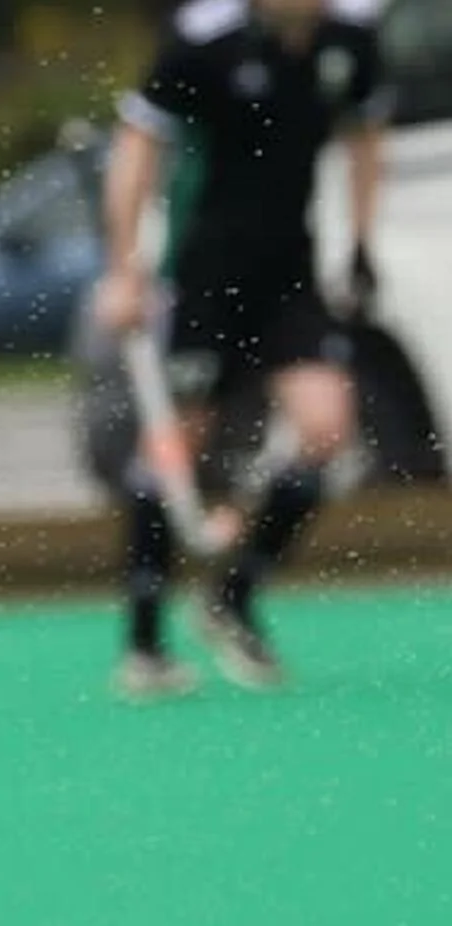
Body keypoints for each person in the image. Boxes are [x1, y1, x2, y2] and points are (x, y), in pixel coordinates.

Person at [96, 0, 388, 699]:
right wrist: (125, 268)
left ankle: (232, 595)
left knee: (325, 430)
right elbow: (138, 148)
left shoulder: (348, 42)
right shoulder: (205, 43)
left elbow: (365, 135)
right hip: (204, 276)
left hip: (290, 273)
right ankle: (144, 643)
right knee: (176, 448)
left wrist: (361, 242)